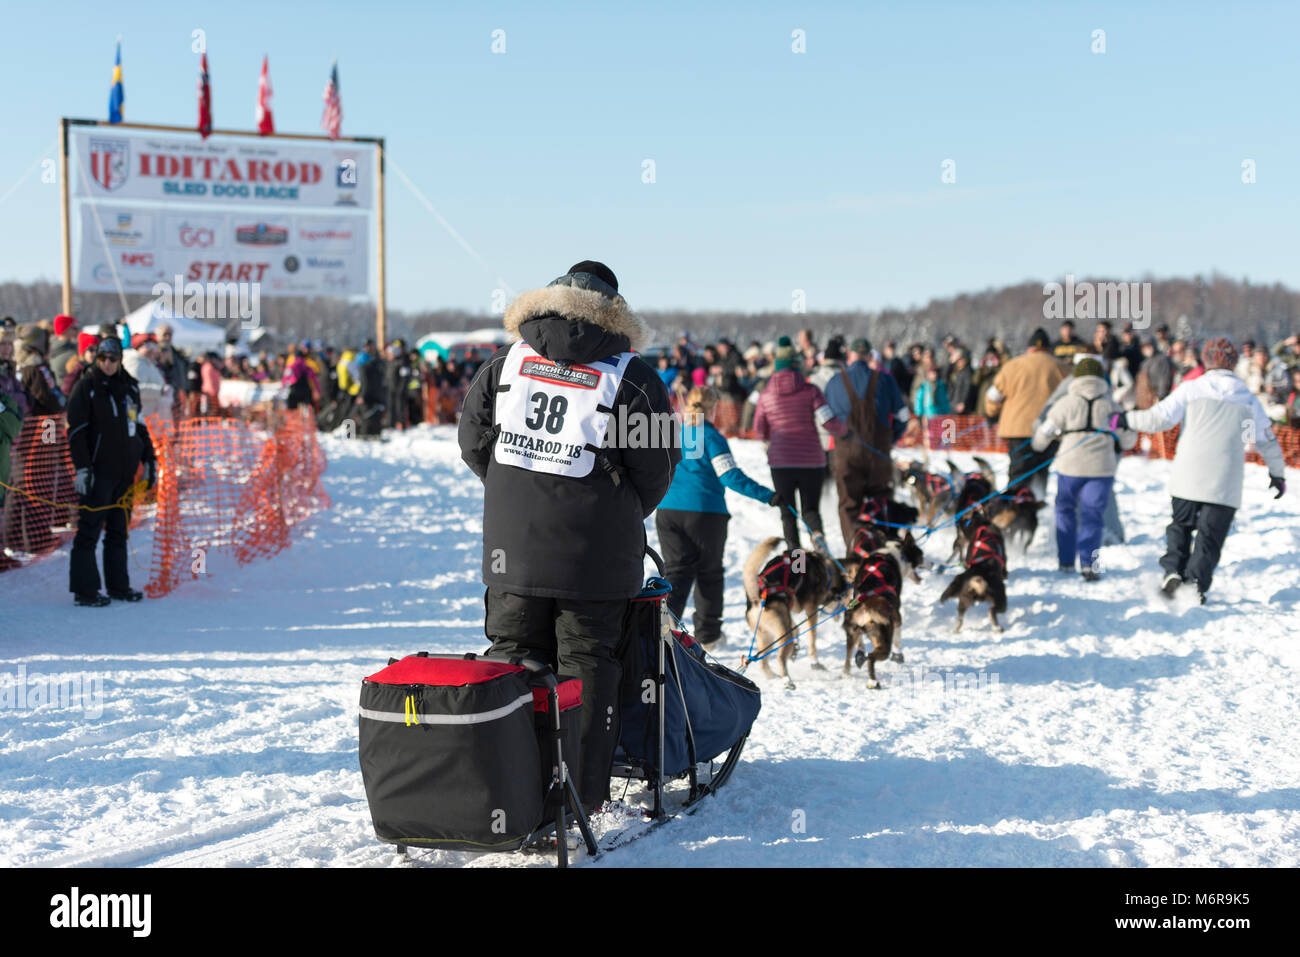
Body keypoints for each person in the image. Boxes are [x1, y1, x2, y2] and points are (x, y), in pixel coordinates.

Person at [458, 261, 679, 813]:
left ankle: (509, 792)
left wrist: (517, 491)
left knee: (512, 662)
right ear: (614, 310)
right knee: (587, 665)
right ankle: (579, 798)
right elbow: (656, 468)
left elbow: (471, 440)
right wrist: (616, 510)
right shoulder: (635, 377)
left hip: (513, 551)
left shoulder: (503, 363)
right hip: (596, 558)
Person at [1116, 337, 1287, 602]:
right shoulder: (1247, 398)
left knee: (1180, 525)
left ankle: (1173, 572)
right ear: (1232, 363)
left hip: (1188, 474)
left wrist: (1126, 418)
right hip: (1224, 481)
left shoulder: (1191, 388)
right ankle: (1195, 584)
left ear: (1206, 360)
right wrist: (1277, 473)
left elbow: (1158, 418)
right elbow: (1262, 439)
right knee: (1210, 536)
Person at [657, 386, 778, 648]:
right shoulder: (711, 437)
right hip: (705, 512)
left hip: (668, 511)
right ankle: (708, 634)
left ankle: (663, 626)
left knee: (676, 570)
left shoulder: (674, 432)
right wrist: (768, 496)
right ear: (713, 408)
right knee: (709, 573)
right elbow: (730, 477)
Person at [65, 337, 157, 606]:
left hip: (124, 472)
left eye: (112, 359)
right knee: (90, 530)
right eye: (103, 358)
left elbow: (139, 428)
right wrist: (82, 468)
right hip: (98, 471)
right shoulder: (86, 387)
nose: (107, 364)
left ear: (119, 360)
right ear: (97, 358)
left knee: (119, 531)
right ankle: (85, 590)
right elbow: (77, 432)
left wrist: (149, 460)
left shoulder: (128, 387)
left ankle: (118, 585)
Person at [1031, 357, 1136, 580]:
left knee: (1065, 511)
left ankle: (1066, 561)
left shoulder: (1066, 404)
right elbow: (1128, 440)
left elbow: (1041, 438)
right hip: (1101, 470)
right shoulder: (1110, 406)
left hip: (1070, 467)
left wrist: (1042, 440)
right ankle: (1090, 565)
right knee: (1093, 516)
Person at [753, 343, 846, 550]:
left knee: (788, 513)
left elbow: (759, 429)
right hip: (812, 460)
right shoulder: (811, 390)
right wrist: (846, 432)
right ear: (796, 365)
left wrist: (773, 438)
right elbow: (827, 421)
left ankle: (797, 562)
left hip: (781, 461)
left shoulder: (766, 394)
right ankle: (818, 538)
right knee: (811, 510)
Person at [822, 337, 908, 549]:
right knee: (881, 502)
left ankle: (856, 552)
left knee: (849, 505)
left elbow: (824, 419)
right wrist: (891, 439)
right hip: (879, 455)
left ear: (849, 356)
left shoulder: (834, 382)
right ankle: (880, 553)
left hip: (846, 455)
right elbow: (903, 416)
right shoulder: (885, 380)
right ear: (869, 356)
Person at [984, 328, 1067, 498]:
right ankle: (1036, 504)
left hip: (1017, 430)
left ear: (1029, 348)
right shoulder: (1062, 368)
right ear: (1048, 348)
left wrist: (992, 413)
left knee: (1018, 473)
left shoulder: (1012, 366)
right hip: (1050, 429)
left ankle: (1013, 509)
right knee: (1041, 470)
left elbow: (993, 395)